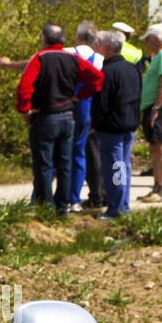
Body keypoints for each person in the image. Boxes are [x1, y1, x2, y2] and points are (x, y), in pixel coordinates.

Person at [17, 22, 104, 216]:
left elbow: (24, 86)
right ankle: (62, 206)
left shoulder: (40, 58)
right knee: (66, 162)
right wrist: (80, 96)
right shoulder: (73, 59)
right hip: (68, 116)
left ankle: (45, 205)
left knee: (44, 164)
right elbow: (97, 78)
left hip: (46, 116)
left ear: (44, 39)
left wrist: (25, 109)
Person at [91, 30, 140, 218]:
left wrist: (96, 123)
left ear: (108, 47)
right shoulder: (132, 69)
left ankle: (115, 208)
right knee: (123, 166)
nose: (97, 45)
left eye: (99, 43)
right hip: (129, 124)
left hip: (112, 127)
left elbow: (102, 103)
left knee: (115, 167)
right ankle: (123, 205)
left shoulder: (108, 72)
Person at [66, 22, 103, 209]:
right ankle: (74, 198)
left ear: (78, 36)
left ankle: (52, 197)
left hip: (64, 107)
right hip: (87, 111)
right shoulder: (100, 59)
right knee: (80, 154)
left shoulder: (66, 52)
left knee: (60, 153)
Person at [137, 26, 162, 203]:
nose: (146, 43)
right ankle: (156, 186)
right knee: (155, 146)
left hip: (160, 105)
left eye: (147, 39)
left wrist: (156, 108)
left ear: (154, 39)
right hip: (154, 105)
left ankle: (160, 189)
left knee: (160, 145)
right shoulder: (159, 56)